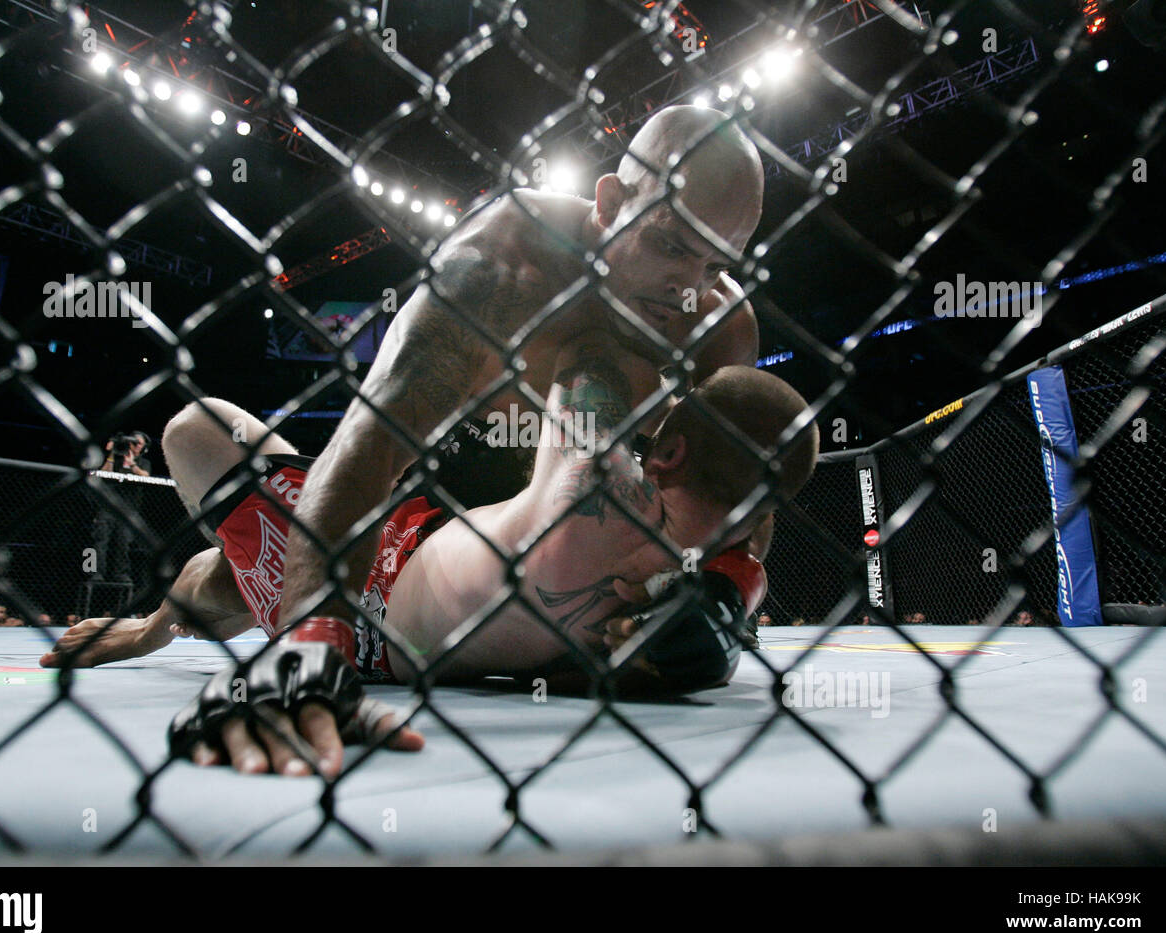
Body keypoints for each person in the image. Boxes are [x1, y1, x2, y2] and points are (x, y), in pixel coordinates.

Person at [44, 104, 768, 671]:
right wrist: (313, 643)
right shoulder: (505, 263)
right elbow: (370, 439)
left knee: (236, 561)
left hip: (559, 549)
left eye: (717, 265)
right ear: (610, 202)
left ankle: (181, 613)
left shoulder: (718, 323)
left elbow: (745, 478)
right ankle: (166, 620)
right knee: (210, 481)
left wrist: (731, 589)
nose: (689, 287)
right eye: (673, 245)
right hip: (417, 507)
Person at [166, 334, 817, 775]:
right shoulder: (682, 627)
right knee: (224, 579)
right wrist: (735, 592)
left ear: (669, 454)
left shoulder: (598, 478)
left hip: (357, 592)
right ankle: (170, 612)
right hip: (411, 533)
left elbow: (587, 338)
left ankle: (172, 610)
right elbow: (747, 524)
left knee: (196, 428)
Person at [89, 431, 152, 590]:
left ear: (144, 448)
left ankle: (121, 574)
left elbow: (146, 476)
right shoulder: (114, 459)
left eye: (138, 444)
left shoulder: (143, 463)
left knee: (123, 543)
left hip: (128, 509)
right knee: (99, 540)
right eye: (133, 442)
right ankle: (93, 572)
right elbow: (103, 474)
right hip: (107, 507)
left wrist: (132, 464)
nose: (134, 446)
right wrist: (111, 453)